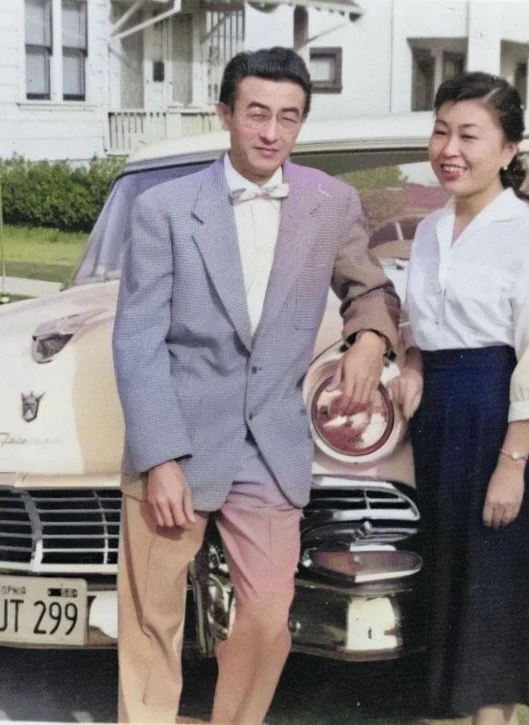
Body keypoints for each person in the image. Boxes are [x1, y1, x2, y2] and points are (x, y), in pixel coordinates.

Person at [112, 47, 400, 725]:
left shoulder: (332, 202)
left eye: (289, 117)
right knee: (153, 621)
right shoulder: (164, 209)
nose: (272, 133)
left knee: (269, 615)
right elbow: (137, 341)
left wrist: (371, 340)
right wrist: (160, 459)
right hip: (175, 444)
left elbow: (372, 289)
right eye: (257, 114)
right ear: (226, 115)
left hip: (270, 444)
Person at [387, 72, 529, 725]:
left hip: (502, 419)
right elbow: (421, 324)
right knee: (449, 572)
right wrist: (413, 361)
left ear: (508, 150)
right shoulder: (428, 232)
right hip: (439, 418)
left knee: (496, 580)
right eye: (441, 130)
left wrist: (513, 461)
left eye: (469, 135)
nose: (449, 147)